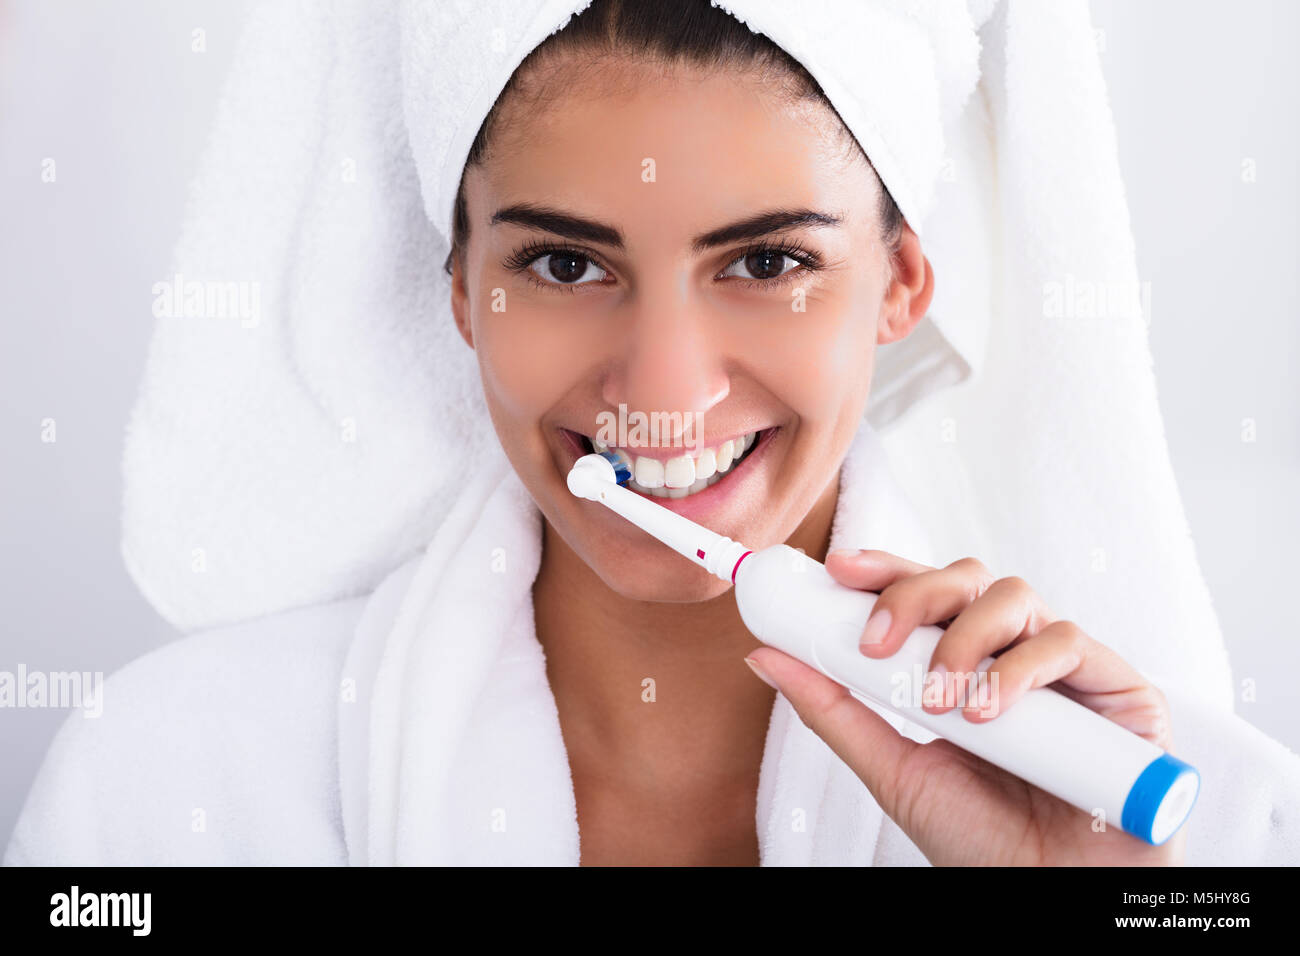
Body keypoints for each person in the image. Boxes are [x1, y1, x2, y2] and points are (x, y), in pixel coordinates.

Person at [6, 0, 1298, 867]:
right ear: (459, 289)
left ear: (904, 280)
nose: (664, 390)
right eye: (567, 264)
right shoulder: (164, 794)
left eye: (770, 260)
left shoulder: (1197, 830)